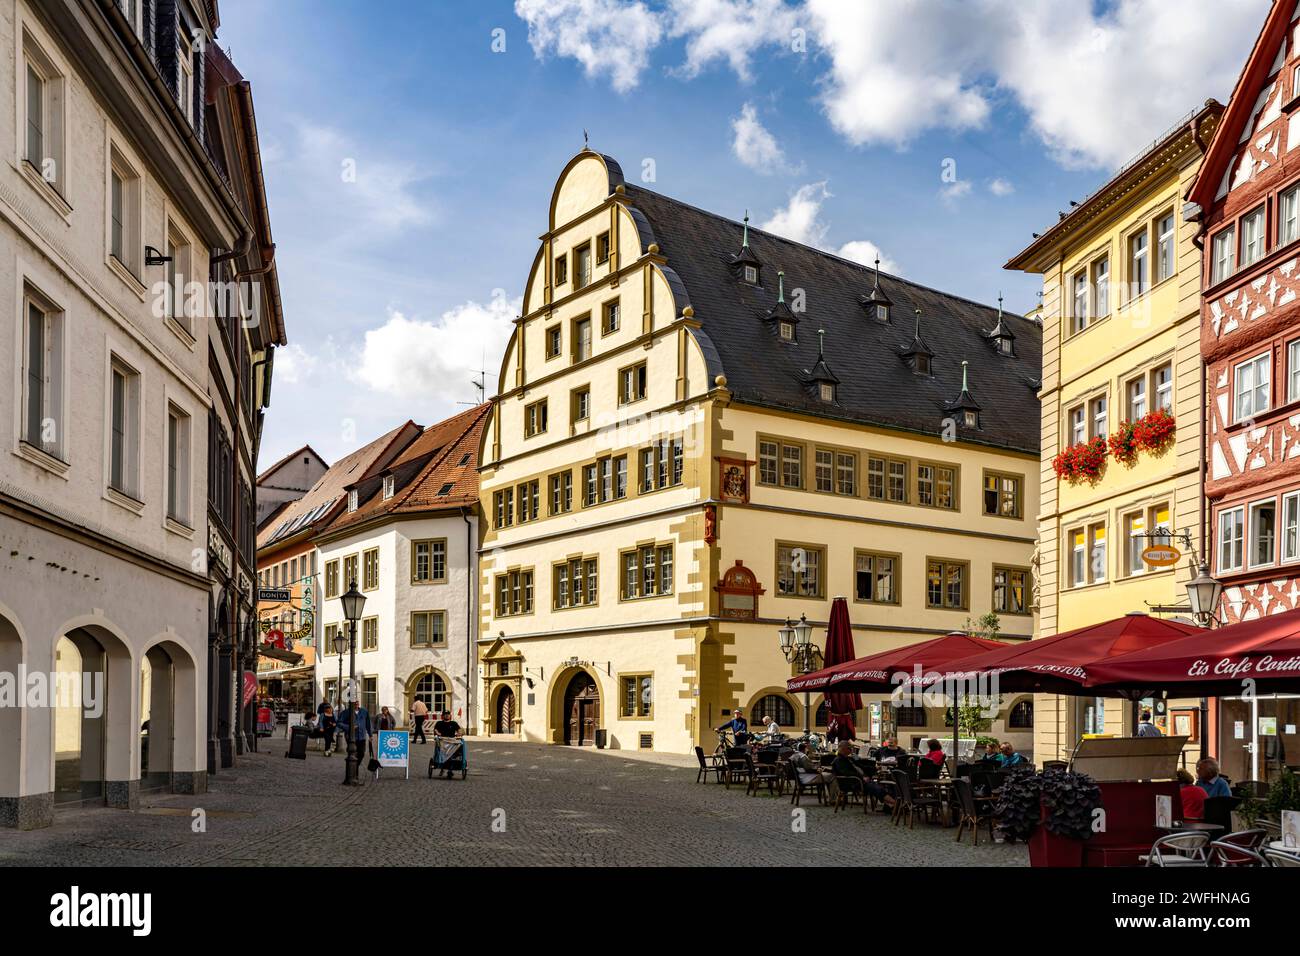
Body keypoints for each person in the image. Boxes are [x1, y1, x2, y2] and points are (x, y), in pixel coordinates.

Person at [831, 740, 891, 809]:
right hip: (853, 783)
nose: (851, 750)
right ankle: (893, 803)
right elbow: (847, 773)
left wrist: (875, 768)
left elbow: (862, 766)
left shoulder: (849, 758)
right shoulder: (839, 760)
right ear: (843, 749)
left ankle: (890, 804)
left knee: (877, 787)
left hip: (859, 780)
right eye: (849, 748)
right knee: (875, 788)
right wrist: (862, 778)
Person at [336, 700, 373, 768]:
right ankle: (353, 771)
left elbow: (368, 724)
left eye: (357, 703)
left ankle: (354, 767)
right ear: (350, 704)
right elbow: (339, 723)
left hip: (362, 736)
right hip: (351, 737)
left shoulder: (364, 711)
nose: (356, 704)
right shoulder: (346, 712)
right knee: (352, 754)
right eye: (354, 703)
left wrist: (370, 735)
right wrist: (350, 727)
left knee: (361, 753)